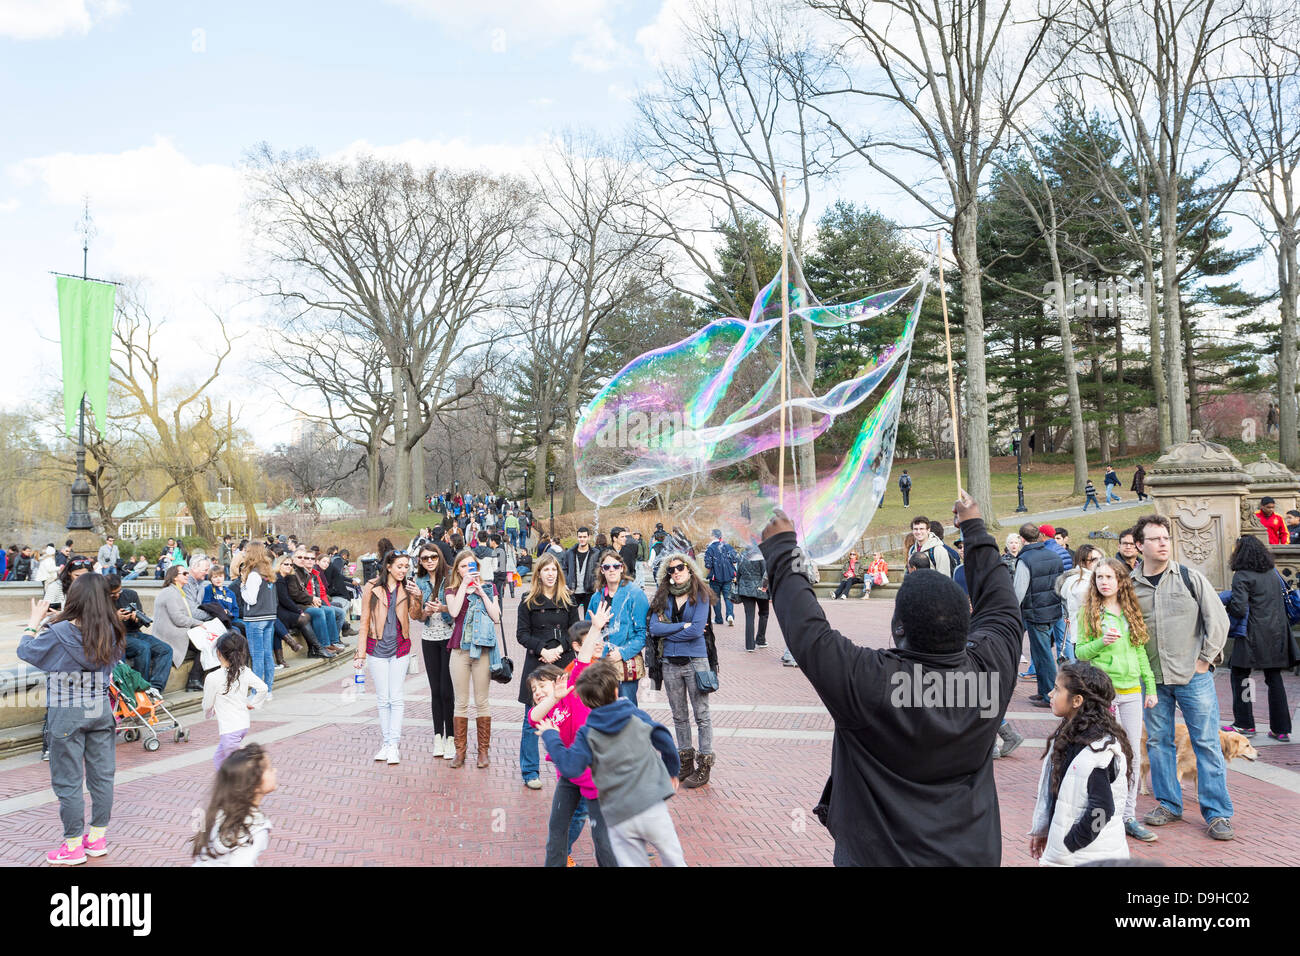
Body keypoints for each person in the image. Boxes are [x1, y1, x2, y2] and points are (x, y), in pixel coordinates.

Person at [758, 493, 1021, 865]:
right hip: (971, 855)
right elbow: (1002, 605)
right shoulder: (991, 670)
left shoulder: (871, 683)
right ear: (966, 626)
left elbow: (809, 636)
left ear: (899, 629)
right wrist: (975, 529)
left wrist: (783, 550)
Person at [1130, 514, 1234, 841]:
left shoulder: (1190, 578)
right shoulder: (1130, 587)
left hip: (1193, 677)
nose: (1163, 544)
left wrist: (1205, 661)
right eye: (1155, 539)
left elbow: (1217, 621)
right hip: (1153, 680)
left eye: (1166, 538)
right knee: (1159, 743)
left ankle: (1217, 813)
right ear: (1138, 546)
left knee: (1205, 743)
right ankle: (1169, 803)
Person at [17, 573, 125, 864]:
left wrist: (34, 621)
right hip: (100, 708)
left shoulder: (58, 631)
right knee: (102, 778)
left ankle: (74, 845)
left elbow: (26, 651)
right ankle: (98, 838)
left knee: (69, 781)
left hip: (67, 712)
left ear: (74, 597)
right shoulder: (112, 630)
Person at [540, 659, 685, 867]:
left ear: (585, 701)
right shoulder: (636, 715)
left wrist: (551, 736)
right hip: (652, 805)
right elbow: (664, 738)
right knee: (674, 858)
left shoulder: (587, 733)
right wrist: (672, 771)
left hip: (618, 815)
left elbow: (570, 767)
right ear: (617, 691)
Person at [1074, 558, 1159, 843]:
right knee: (1109, 755)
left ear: (1121, 580)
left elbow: (1140, 652)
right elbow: (1081, 653)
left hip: (1132, 691)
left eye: (1109, 577)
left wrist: (1150, 687)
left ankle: (1128, 816)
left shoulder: (1130, 611)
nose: (1103, 582)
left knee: (1131, 754)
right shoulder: (1089, 612)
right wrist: (1102, 643)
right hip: (1104, 693)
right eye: (1099, 577)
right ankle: (1103, 813)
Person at [1027, 661, 1133, 866]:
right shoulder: (1071, 734)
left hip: (1088, 856)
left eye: (1057, 689)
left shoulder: (1097, 751)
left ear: (1076, 700)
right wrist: (1046, 829)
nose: (1050, 694)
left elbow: (1102, 809)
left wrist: (1068, 844)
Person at [528, 622, 616, 866]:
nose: (537, 692)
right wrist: (550, 697)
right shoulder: (544, 711)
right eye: (533, 689)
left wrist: (596, 627)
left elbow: (583, 659)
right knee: (556, 830)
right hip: (568, 776)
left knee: (602, 838)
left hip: (595, 772)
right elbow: (533, 717)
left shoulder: (574, 692)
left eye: (541, 685)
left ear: (558, 682)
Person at [648, 552, 717, 789]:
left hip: (696, 660)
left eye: (680, 568)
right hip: (669, 662)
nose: (676, 573)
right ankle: (685, 759)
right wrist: (681, 626)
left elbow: (697, 630)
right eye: (671, 570)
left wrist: (671, 630)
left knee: (702, 714)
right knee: (679, 715)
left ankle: (704, 763)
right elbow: (654, 628)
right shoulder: (663, 596)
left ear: (689, 569)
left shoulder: (701, 595)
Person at [354, 549, 427, 765]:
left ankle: (393, 744)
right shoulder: (372, 587)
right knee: (382, 698)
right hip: (376, 647)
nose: (403, 570)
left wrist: (418, 597)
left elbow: (416, 616)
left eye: (406, 566)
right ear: (388, 566)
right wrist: (360, 654)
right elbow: (364, 621)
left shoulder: (408, 587)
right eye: (399, 566)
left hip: (400, 648)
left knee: (396, 697)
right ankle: (386, 743)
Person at [1223, 536, 1296, 742]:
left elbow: (1239, 607)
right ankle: (1281, 729)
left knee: (1242, 676)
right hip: (1276, 633)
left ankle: (1245, 723)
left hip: (1251, 635)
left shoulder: (1242, 575)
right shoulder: (1272, 573)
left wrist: (1225, 603)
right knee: (1274, 679)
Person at [516, 553, 580, 788]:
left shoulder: (569, 600)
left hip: (563, 662)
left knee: (568, 716)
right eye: (546, 570)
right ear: (539, 574)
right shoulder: (528, 600)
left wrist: (561, 649)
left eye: (554, 570)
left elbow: (574, 630)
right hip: (537, 662)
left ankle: (569, 767)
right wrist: (542, 649)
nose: (551, 574)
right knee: (531, 719)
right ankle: (530, 771)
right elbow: (522, 634)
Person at [443, 548, 503, 768]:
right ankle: (460, 752)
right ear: (458, 570)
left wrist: (482, 592)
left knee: (482, 701)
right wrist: (464, 588)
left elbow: (496, 617)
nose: (468, 569)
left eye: (471, 565)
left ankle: (483, 752)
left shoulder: (489, 586)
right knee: (460, 702)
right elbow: (454, 612)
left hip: (483, 650)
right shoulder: (451, 590)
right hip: (459, 650)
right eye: (463, 566)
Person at [191, 744, 277, 866]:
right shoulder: (255, 828)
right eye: (269, 768)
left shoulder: (218, 812)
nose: (275, 770)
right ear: (254, 784)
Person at [586, 548, 649, 703]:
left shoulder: (635, 594)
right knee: (600, 708)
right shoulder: (596, 597)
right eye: (607, 567)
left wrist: (622, 652)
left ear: (622, 567)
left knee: (626, 709)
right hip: (600, 661)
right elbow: (587, 628)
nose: (611, 570)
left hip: (624, 663)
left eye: (615, 566)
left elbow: (643, 632)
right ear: (601, 570)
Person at [1013, 523, 1064, 708]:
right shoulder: (1054, 555)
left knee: (1043, 654)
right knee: (1040, 652)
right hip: (1052, 609)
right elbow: (1060, 584)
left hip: (1036, 612)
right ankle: (1043, 691)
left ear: (1022, 539)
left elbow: (1019, 590)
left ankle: (1049, 693)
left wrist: (1012, 610)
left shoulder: (1025, 559)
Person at [202, 631, 268, 770]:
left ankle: (245, 782)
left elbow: (207, 703)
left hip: (230, 729)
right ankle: (226, 783)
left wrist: (208, 713)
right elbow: (263, 688)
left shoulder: (213, 677)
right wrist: (254, 704)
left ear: (219, 653)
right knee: (219, 758)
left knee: (236, 766)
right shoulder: (244, 671)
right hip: (243, 724)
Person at [413, 545, 455, 759]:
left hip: (449, 637)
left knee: (448, 690)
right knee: (435, 690)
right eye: (424, 558)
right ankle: (438, 736)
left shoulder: (451, 576)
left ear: (439, 557)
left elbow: (458, 609)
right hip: (429, 638)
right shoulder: (419, 582)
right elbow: (417, 616)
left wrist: (443, 609)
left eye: (433, 557)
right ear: (420, 561)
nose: (429, 561)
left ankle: (451, 738)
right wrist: (425, 611)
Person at [108, 574, 173, 696]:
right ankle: (141, 687)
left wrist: (136, 619)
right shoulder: (100, 600)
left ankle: (155, 687)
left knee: (165, 649)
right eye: (113, 594)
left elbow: (140, 624)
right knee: (142, 647)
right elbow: (99, 626)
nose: (117, 595)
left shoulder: (130, 594)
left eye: (119, 591)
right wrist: (115, 618)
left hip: (134, 633)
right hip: (116, 636)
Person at [154, 562, 212, 693]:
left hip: (177, 630)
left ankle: (196, 680)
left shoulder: (177, 592)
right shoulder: (170, 592)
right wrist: (199, 623)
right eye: (184, 573)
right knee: (205, 643)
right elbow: (178, 619)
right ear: (175, 577)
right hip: (171, 634)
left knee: (208, 640)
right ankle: (194, 680)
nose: (187, 575)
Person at [273, 554, 333, 661]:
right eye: (286, 564)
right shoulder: (278, 579)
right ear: (279, 565)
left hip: (284, 608)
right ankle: (318, 648)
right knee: (303, 617)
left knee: (308, 616)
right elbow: (284, 600)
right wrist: (298, 610)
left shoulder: (286, 577)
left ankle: (313, 650)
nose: (289, 566)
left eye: (291, 565)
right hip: (277, 611)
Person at [238, 544, 279, 693]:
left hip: (256, 618)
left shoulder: (254, 575)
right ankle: (268, 689)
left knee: (257, 655)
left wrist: (242, 586)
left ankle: (257, 692)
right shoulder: (268, 573)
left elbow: (251, 599)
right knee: (267, 653)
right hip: (269, 616)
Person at [1059, 544, 1101, 656]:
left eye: (1100, 558)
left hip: (1084, 635)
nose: (1099, 562)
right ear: (1082, 562)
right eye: (1094, 559)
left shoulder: (1088, 578)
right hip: (1086, 636)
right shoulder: (1081, 583)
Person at [733, 542, 770, 651]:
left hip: (745, 589)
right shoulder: (761, 556)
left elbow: (738, 573)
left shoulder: (742, 556)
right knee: (764, 613)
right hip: (760, 589)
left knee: (749, 617)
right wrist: (767, 589)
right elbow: (765, 574)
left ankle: (749, 646)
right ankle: (760, 639)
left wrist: (740, 586)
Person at [703, 529, 738, 626]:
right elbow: (735, 560)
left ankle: (719, 618)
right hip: (728, 576)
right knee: (728, 597)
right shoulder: (728, 546)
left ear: (713, 536)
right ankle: (730, 615)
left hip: (715, 577)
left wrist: (711, 573)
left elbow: (708, 565)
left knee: (716, 598)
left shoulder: (710, 548)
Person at [561, 527, 598, 610]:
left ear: (589, 537)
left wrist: (596, 584)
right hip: (572, 590)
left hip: (589, 590)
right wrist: (566, 583)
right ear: (577, 537)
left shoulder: (596, 553)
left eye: (584, 537)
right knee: (571, 618)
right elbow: (564, 568)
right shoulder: (570, 552)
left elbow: (599, 570)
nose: (582, 539)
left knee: (588, 618)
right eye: (580, 537)